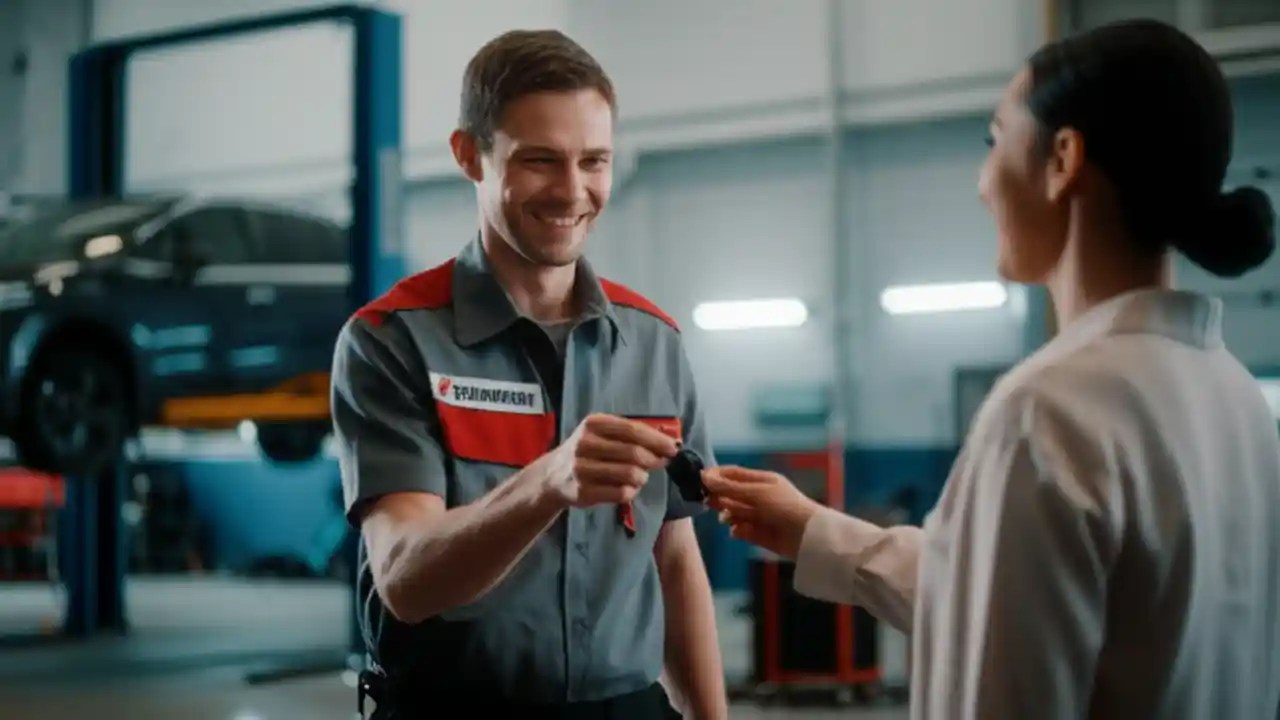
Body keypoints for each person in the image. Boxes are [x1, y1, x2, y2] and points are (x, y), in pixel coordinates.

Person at [705, 18, 1280, 720]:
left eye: (993, 141)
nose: (982, 184)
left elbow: (990, 675)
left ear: (1063, 158)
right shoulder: (1237, 400)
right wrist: (813, 531)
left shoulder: (1050, 409)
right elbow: (1012, 598)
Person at [331, 29, 727, 718]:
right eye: (540, 160)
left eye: (594, 161)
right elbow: (403, 580)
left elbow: (673, 555)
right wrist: (548, 482)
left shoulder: (652, 341)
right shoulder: (392, 341)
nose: (573, 191)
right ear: (469, 156)